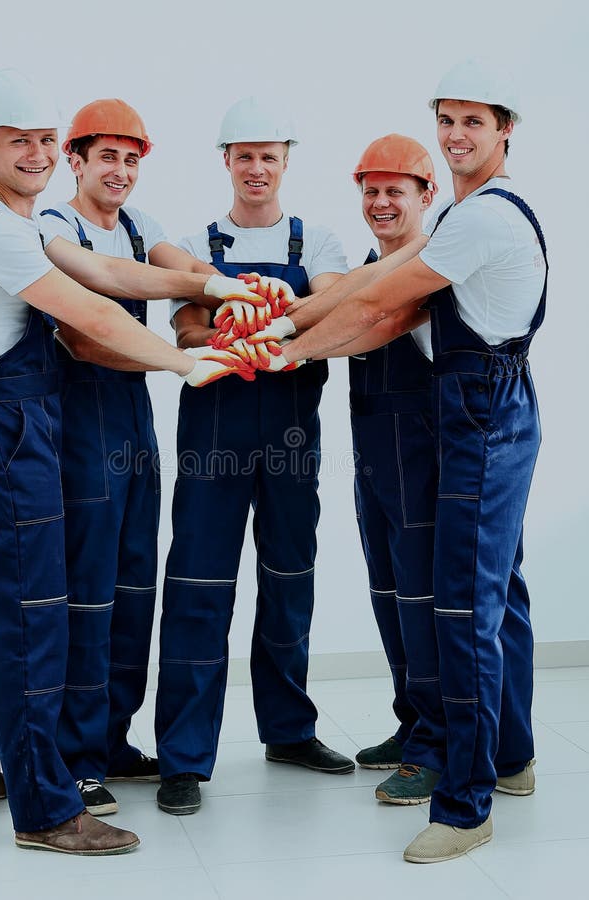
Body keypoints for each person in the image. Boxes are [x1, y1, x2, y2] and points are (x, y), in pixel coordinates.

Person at [0, 69, 278, 854]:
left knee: (4, 605)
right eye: (20, 141)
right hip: (8, 427)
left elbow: (110, 274)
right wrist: (184, 362)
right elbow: (88, 313)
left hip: (12, 422)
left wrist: (211, 281)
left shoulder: (15, 223)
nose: (36, 154)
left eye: (43, 142)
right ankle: (47, 807)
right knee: (33, 616)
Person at [267, 57, 547, 862]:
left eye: (473, 122)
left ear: (503, 131)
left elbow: (375, 303)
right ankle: (512, 756)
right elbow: (366, 294)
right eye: (447, 120)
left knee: (460, 607)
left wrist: (277, 349)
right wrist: (282, 326)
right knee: (500, 596)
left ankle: (464, 806)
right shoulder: (462, 216)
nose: (456, 135)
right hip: (485, 411)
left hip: (480, 418)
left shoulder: (484, 219)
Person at [153, 96, 354, 817]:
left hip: (293, 433)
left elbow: (330, 304)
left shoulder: (319, 243)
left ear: (286, 161)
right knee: (198, 585)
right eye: (244, 155)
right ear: (226, 162)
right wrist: (217, 327)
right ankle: (181, 757)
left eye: (269, 155)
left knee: (289, 575)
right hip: (214, 431)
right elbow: (183, 324)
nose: (257, 168)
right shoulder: (192, 242)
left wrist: (257, 314)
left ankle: (289, 732)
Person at [38, 98, 219, 817]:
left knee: (134, 586)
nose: (119, 171)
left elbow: (179, 264)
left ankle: (111, 739)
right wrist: (186, 334)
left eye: (131, 158)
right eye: (105, 156)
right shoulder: (56, 228)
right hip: (82, 420)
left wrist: (234, 291)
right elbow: (94, 321)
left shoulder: (140, 227)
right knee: (88, 593)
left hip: (135, 422)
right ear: (74, 160)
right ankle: (76, 758)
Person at [347, 135, 446, 805]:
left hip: (416, 461)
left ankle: (436, 744)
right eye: (371, 190)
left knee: (420, 603)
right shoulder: (362, 266)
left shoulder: (427, 270)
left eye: (395, 191)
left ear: (425, 198)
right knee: (388, 599)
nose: (380, 202)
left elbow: (373, 323)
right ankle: (411, 725)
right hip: (370, 462)